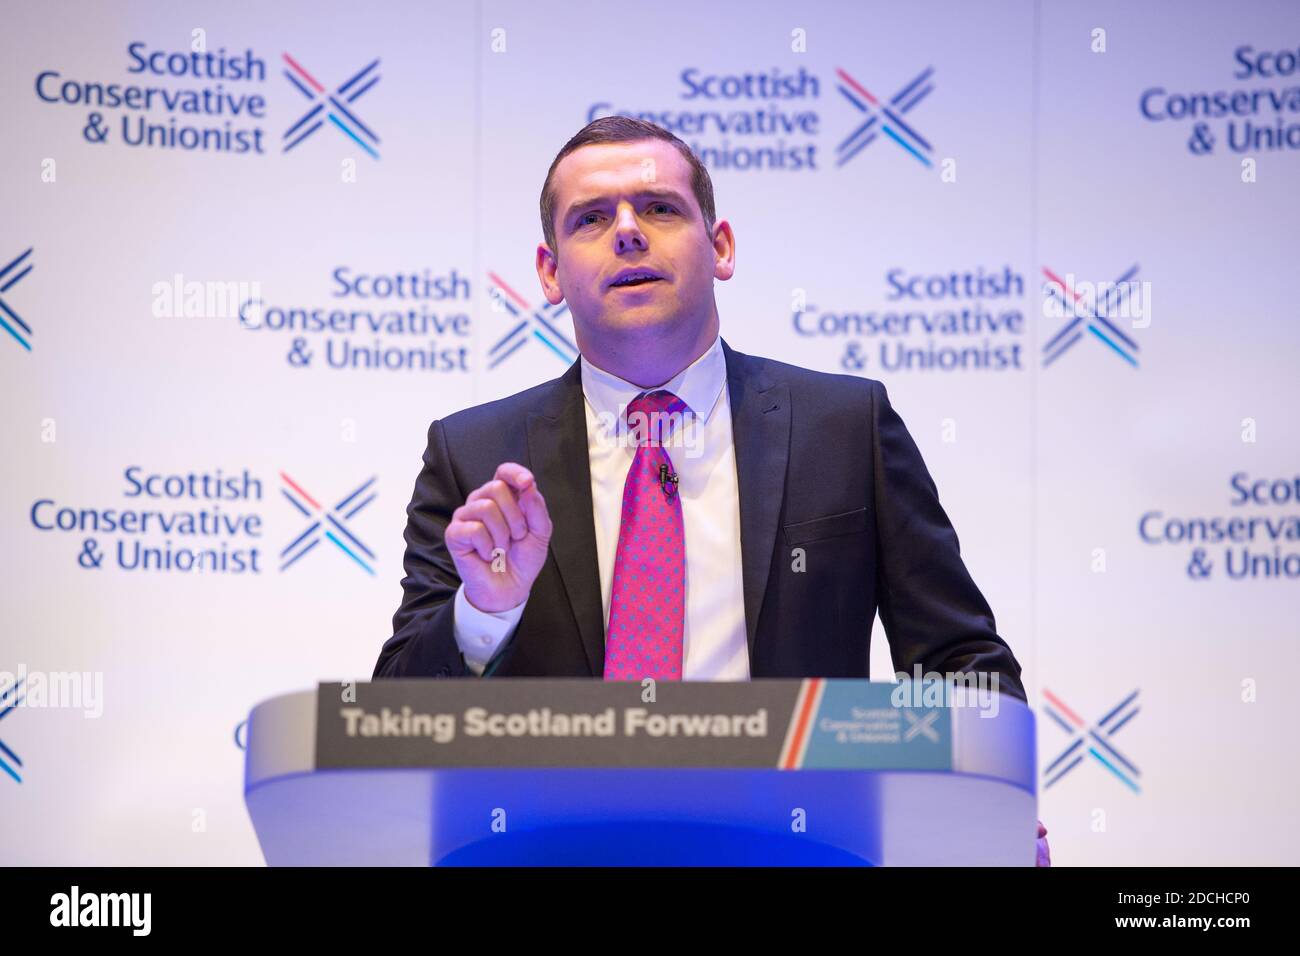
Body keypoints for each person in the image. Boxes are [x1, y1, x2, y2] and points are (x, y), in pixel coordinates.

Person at [373, 116, 1048, 862]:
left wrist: (987, 809)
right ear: (550, 273)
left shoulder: (844, 427)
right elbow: (398, 722)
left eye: (659, 208)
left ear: (720, 246)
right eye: (591, 219)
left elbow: (957, 661)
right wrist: (484, 611)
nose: (628, 232)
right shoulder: (473, 456)